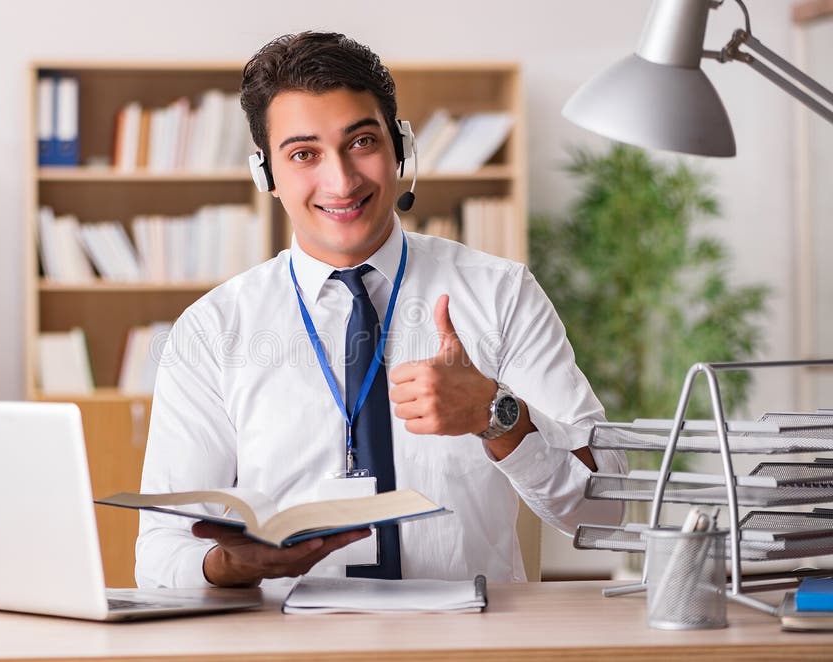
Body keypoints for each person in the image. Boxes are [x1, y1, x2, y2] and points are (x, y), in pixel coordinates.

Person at [136, 31, 627, 590]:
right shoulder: (212, 329)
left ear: (400, 147)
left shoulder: (500, 294)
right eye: (303, 154)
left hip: (464, 646)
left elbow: (606, 512)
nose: (341, 180)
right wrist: (226, 566)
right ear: (265, 175)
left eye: (362, 142)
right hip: (287, 646)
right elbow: (158, 557)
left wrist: (497, 415)